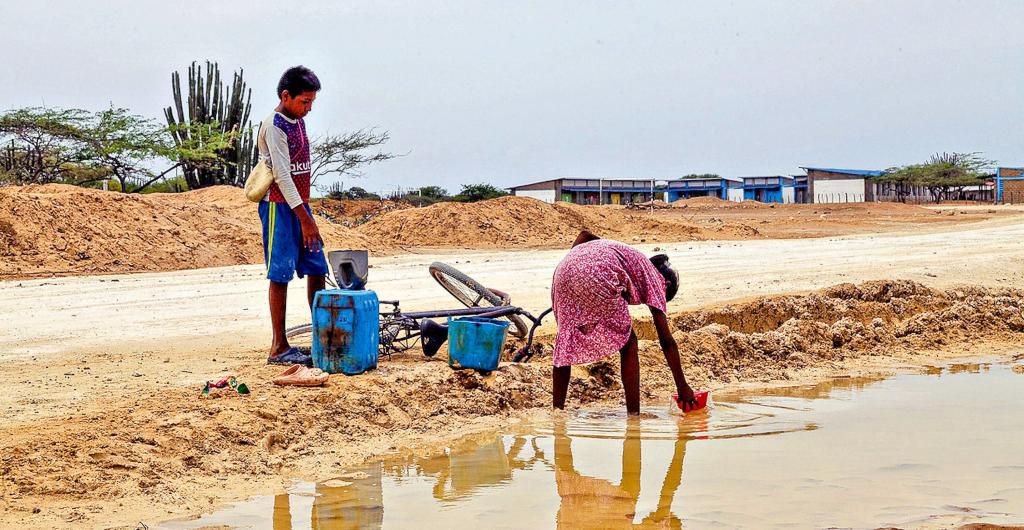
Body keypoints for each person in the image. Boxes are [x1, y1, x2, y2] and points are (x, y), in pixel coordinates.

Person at [551, 230, 697, 414]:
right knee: (629, 344)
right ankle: (633, 416)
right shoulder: (656, 279)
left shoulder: (632, 259)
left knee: (566, 338)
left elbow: (583, 235)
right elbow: (666, 341)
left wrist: (577, 270)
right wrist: (682, 386)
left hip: (564, 270)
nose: (653, 305)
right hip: (597, 273)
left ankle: (557, 411)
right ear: (665, 284)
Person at [258, 66, 327, 365]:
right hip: (278, 206)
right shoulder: (274, 126)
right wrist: (306, 220)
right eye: (304, 102)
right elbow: (283, 177)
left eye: (312, 102)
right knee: (281, 273)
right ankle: (279, 346)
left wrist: (306, 213)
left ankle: (322, 336)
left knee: (317, 268)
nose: (308, 108)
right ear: (286, 96)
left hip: (300, 205)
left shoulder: (298, 120)